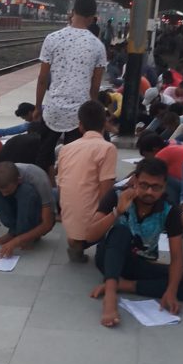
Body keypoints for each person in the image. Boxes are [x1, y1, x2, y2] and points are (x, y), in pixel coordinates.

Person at [85, 158, 183, 328]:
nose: (149, 192)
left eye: (156, 187)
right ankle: (110, 295)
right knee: (121, 231)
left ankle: (124, 285)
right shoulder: (117, 194)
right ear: (134, 181)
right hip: (109, 258)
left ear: (164, 186)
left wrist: (171, 291)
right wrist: (117, 212)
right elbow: (90, 236)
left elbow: (177, 257)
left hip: (139, 262)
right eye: (143, 185)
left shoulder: (169, 210)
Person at [35, 0, 106, 173]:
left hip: (53, 109)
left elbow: (42, 79)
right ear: (92, 17)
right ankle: (66, 193)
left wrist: (37, 106)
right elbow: (95, 87)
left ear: (73, 11)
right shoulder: (97, 45)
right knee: (74, 160)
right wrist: (93, 108)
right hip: (79, 114)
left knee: (43, 156)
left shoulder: (52, 38)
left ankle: (46, 191)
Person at [57, 100, 117, 262]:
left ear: (80, 126)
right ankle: (88, 241)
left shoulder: (65, 149)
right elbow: (106, 192)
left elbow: (61, 184)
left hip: (68, 216)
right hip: (90, 223)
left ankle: (76, 239)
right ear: (105, 123)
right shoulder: (107, 148)